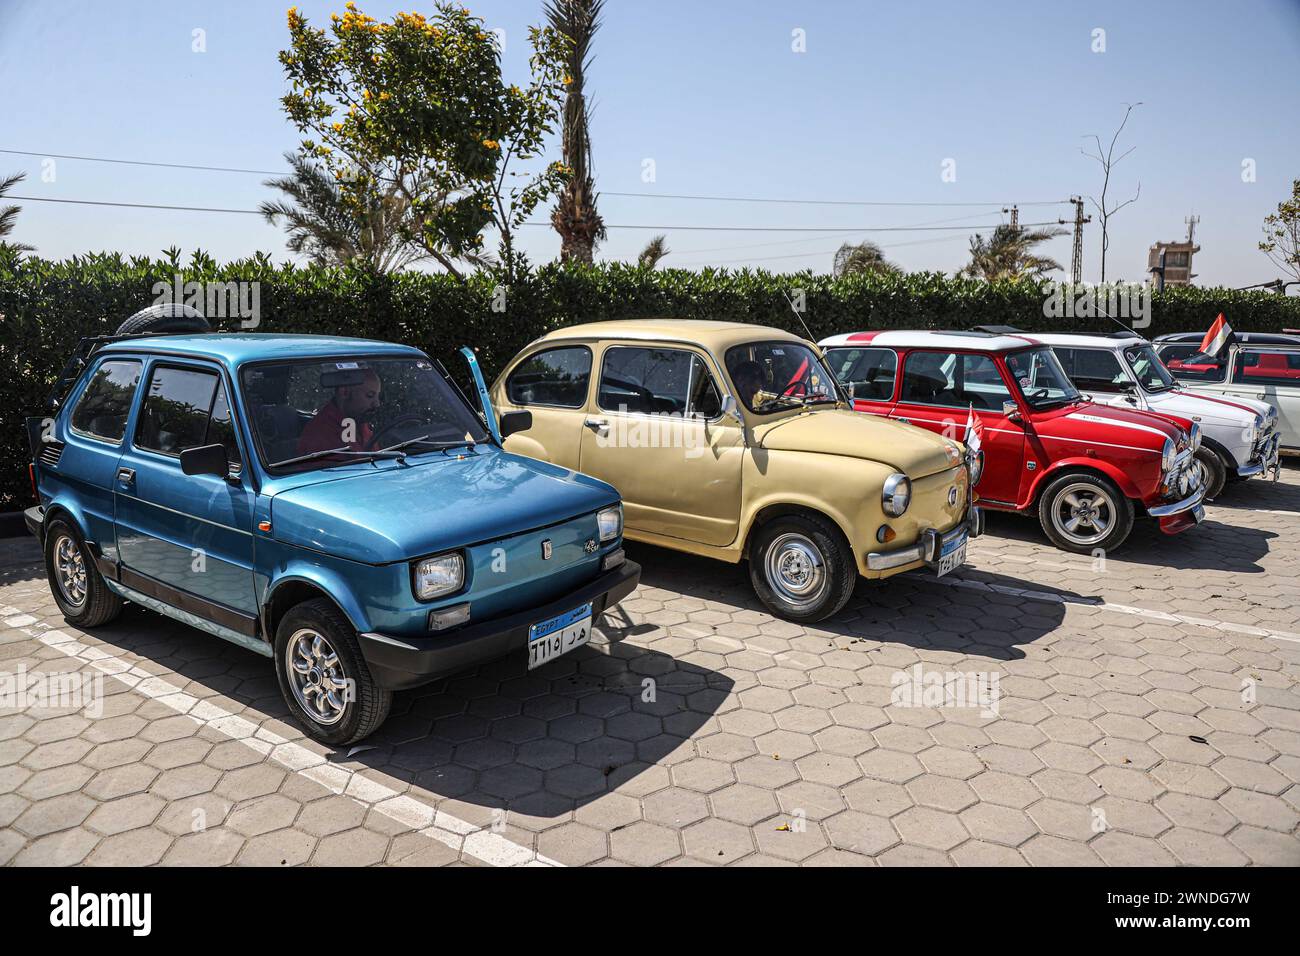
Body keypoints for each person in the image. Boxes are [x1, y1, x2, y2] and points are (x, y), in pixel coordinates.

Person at [297, 367, 381, 455]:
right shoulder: (321, 435)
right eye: (370, 395)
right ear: (345, 392)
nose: (377, 404)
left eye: (378, 396)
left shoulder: (358, 421)